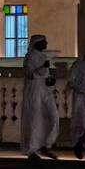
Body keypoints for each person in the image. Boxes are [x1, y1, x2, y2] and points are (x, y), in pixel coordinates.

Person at [20, 33, 59, 161]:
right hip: (34, 91)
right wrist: (43, 68)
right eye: (44, 42)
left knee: (53, 116)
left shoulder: (43, 56)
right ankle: (31, 150)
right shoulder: (29, 57)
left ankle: (46, 145)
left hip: (45, 91)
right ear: (37, 43)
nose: (46, 44)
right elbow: (30, 75)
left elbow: (45, 76)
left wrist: (49, 81)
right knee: (34, 120)